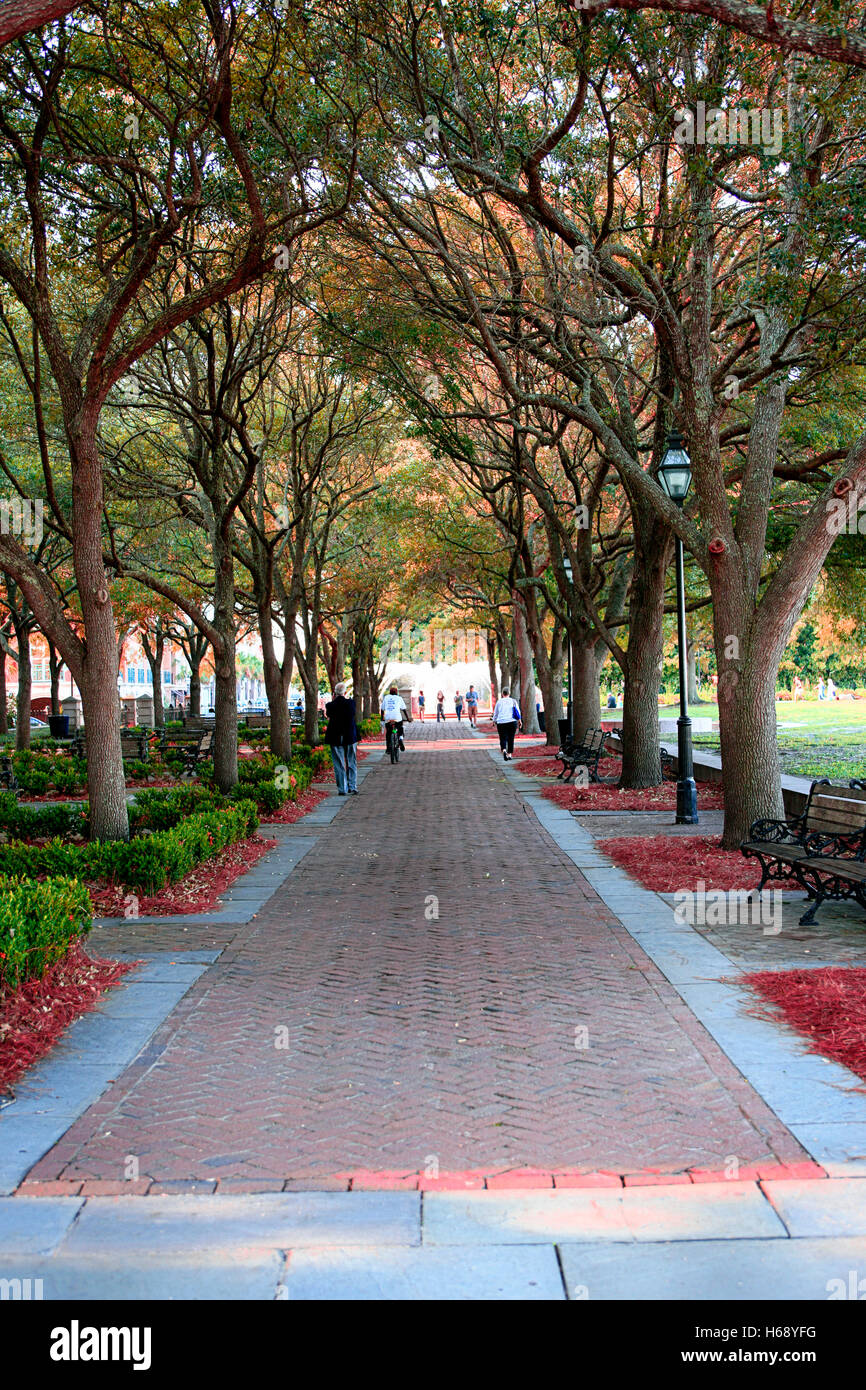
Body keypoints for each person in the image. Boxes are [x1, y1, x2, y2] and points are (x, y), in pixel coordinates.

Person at [324, 681, 359, 795]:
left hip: (335, 736)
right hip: (350, 735)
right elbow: (352, 714)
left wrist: (333, 700)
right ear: (344, 692)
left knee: (339, 763)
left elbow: (328, 715)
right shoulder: (351, 703)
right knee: (351, 761)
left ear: (334, 693)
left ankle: (342, 789)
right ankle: (352, 786)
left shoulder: (330, 705)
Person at [492, 686, 521, 761]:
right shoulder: (513, 701)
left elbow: (496, 713)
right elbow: (517, 712)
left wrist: (494, 721)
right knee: (511, 738)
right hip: (512, 722)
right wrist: (520, 721)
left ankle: (504, 750)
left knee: (502, 737)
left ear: (502, 694)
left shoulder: (499, 702)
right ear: (509, 693)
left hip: (501, 722)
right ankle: (509, 754)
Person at [381, 683, 409, 751]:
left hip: (388, 719)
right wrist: (407, 718)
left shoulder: (386, 697)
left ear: (390, 692)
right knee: (400, 729)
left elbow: (382, 709)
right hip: (397, 718)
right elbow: (404, 709)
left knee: (388, 732)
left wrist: (382, 718)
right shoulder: (399, 698)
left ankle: (388, 748)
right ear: (396, 692)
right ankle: (400, 740)